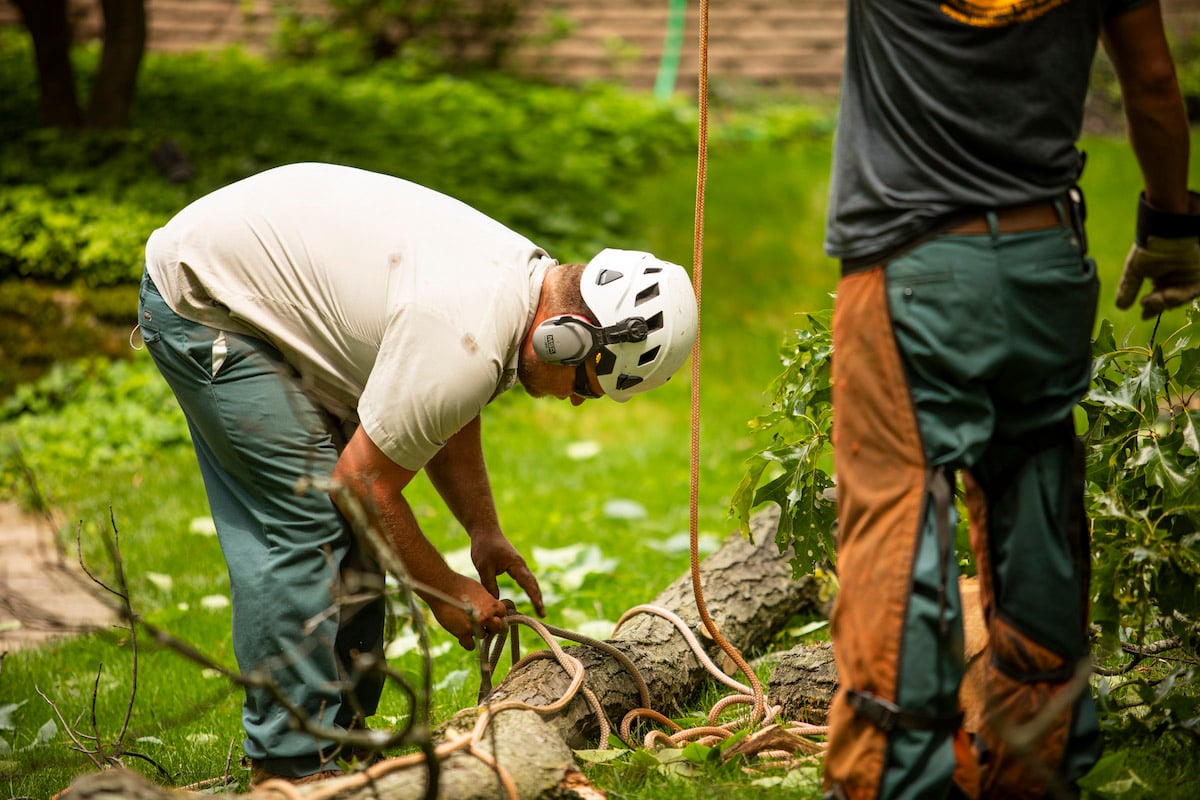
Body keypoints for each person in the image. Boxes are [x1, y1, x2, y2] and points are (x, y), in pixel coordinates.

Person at [136, 162, 698, 786]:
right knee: (307, 516)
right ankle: (291, 768)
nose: (574, 401)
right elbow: (360, 484)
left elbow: (444, 409)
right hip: (204, 300)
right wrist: (444, 591)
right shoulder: (467, 327)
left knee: (351, 518)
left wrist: (483, 532)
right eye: (586, 388)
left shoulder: (510, 294)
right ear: (566, 340)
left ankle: (340, 743)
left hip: (258, 291)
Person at [820, 2, 1199, 799]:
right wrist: (1170, 223)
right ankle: (1034, 759)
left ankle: (898, 774)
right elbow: (1155, 82)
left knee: (897, 518)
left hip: (913, 267)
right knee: (1035, 495)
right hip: (1044, 262)